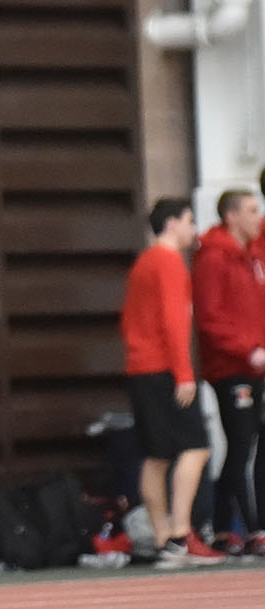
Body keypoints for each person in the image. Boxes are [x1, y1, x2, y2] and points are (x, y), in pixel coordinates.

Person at [119, 199, 223, 567]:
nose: (194, 229)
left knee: (157, 456)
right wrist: (184, 373)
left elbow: (131, 319)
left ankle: (164, 537)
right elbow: (174, 321)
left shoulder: (144, 262)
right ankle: (181, 533)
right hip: (163, 368)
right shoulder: (168, 262)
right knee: (196, 448)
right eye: (190, 221)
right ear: (172, 223)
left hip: (140, 368)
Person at [193, 189, 265, 556]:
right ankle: (254, 527)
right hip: (231, 367)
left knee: (247, 445)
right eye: (251, 210)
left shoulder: (252, 256)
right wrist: (248, 349)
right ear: (232, 215)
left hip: (255, 365)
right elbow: (210, 318)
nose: (258, 217)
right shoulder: (214, 258)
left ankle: (223, 525)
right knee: (243, 445)